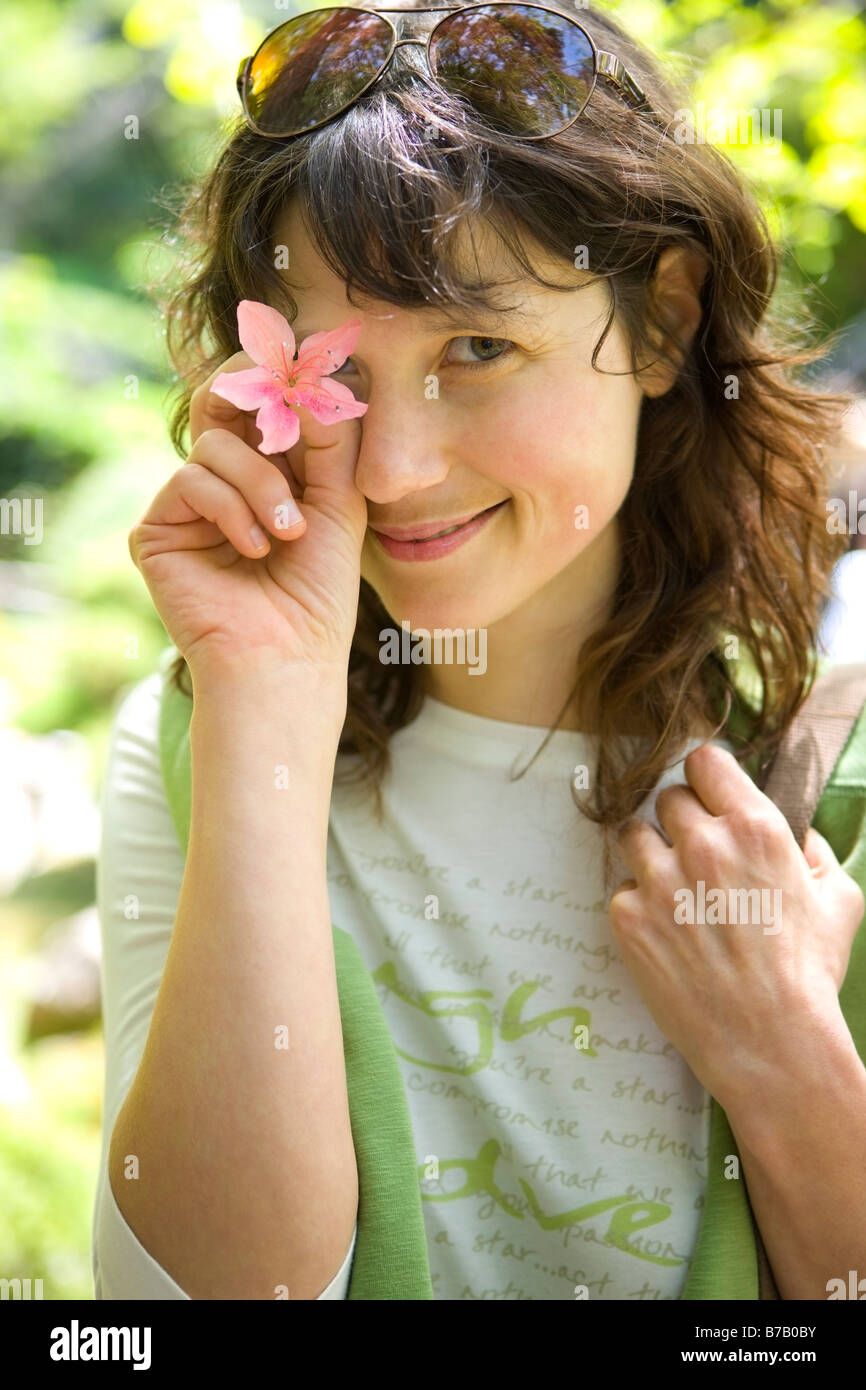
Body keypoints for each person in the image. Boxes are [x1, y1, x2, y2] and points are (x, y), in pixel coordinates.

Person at [92, 1, 866, 1301]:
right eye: (338, 371)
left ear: (663, 324)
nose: (393, 469)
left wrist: (785, 1052)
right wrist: (266, 706)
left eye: (477, 347)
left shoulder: (832, 790)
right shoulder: (193, 742)